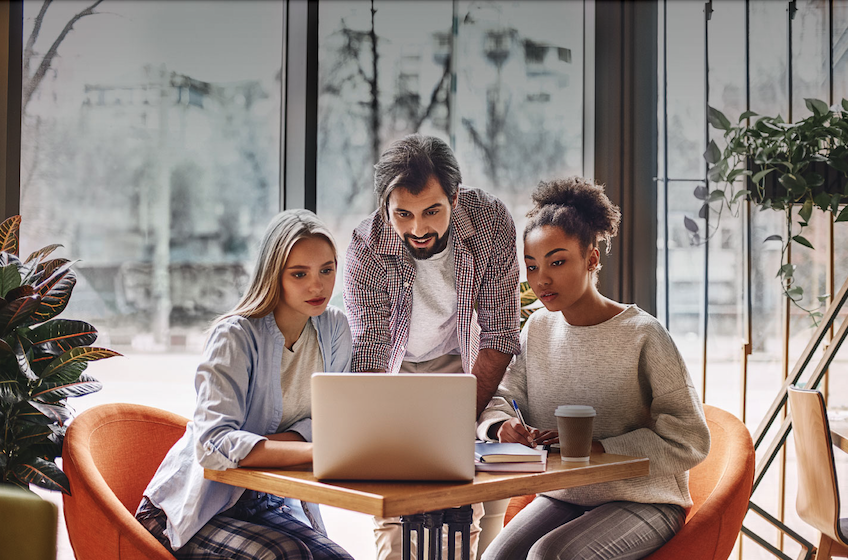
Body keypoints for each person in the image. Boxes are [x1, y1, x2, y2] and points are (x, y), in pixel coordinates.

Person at [477, 177, 711, 560]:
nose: (541, 280)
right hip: (566, 494)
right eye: (532, 266)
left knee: (551, 556)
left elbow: (690, 439)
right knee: (496, 558)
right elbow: (501, 397)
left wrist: (600, 447)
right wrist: (501, 426)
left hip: (645, 501)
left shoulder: (644, 334)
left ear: (592, 258)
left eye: (557, 261)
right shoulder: (537, 327)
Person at [136, 210, 354, 560]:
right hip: (187, 513)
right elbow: (212, 445)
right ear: (274, 275)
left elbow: (334, 422)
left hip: (263, 503)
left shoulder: (335, 329)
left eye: (327, 270)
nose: (318, 286)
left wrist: (270, 445)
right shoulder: (234, 336)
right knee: (285, 555)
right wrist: (313, 451)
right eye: (300, 274)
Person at [344, 133, 521, 560]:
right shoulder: (366, 247)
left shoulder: (491, 222)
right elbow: (369, 355)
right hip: (394, 370)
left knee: (462, 502)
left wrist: (455, 423)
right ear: (386, 207)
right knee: (395, 505)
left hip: (464, 363)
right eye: (402, 214)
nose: (418, 228)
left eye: (431, 212)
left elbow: (498, 334)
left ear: (455, 198)